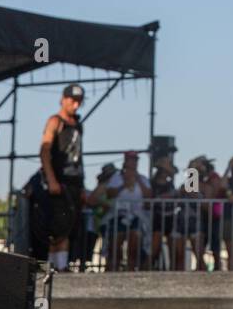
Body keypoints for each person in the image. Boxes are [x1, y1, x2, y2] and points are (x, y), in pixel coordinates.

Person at [40, 84, 86, 272]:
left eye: (79, 102)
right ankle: (52, 266)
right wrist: (51, 179)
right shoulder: (55, 121)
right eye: (73, 101)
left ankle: (62, 265)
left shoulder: (78, 124)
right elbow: (44, 150)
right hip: (59, 180)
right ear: (64, 99)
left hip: (74, 181)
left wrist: (82, 186)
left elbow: (79, 156)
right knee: (56, 226)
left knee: (69, 225)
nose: (75, 105)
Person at [91, 151, 152, 271]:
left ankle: (130, 269)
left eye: (135, 160)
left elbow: (149, 196)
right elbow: (109, 193)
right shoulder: (116, 177)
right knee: (115, 241)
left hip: (136, 216)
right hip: (117, 215)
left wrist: (137, 179)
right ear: (125, 161)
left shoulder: (143, 179)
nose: (133, 163)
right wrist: (124, 184)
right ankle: (113, 269)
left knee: (135, 239)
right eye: (131, 160)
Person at [180, 156, 225, 271]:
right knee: (196, 251)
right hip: (194, 220)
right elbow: (187, 189)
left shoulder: (210, 182)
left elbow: (207, 200)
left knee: (208, 249)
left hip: (207, 219)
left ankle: (214, 269)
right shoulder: (191, 184)